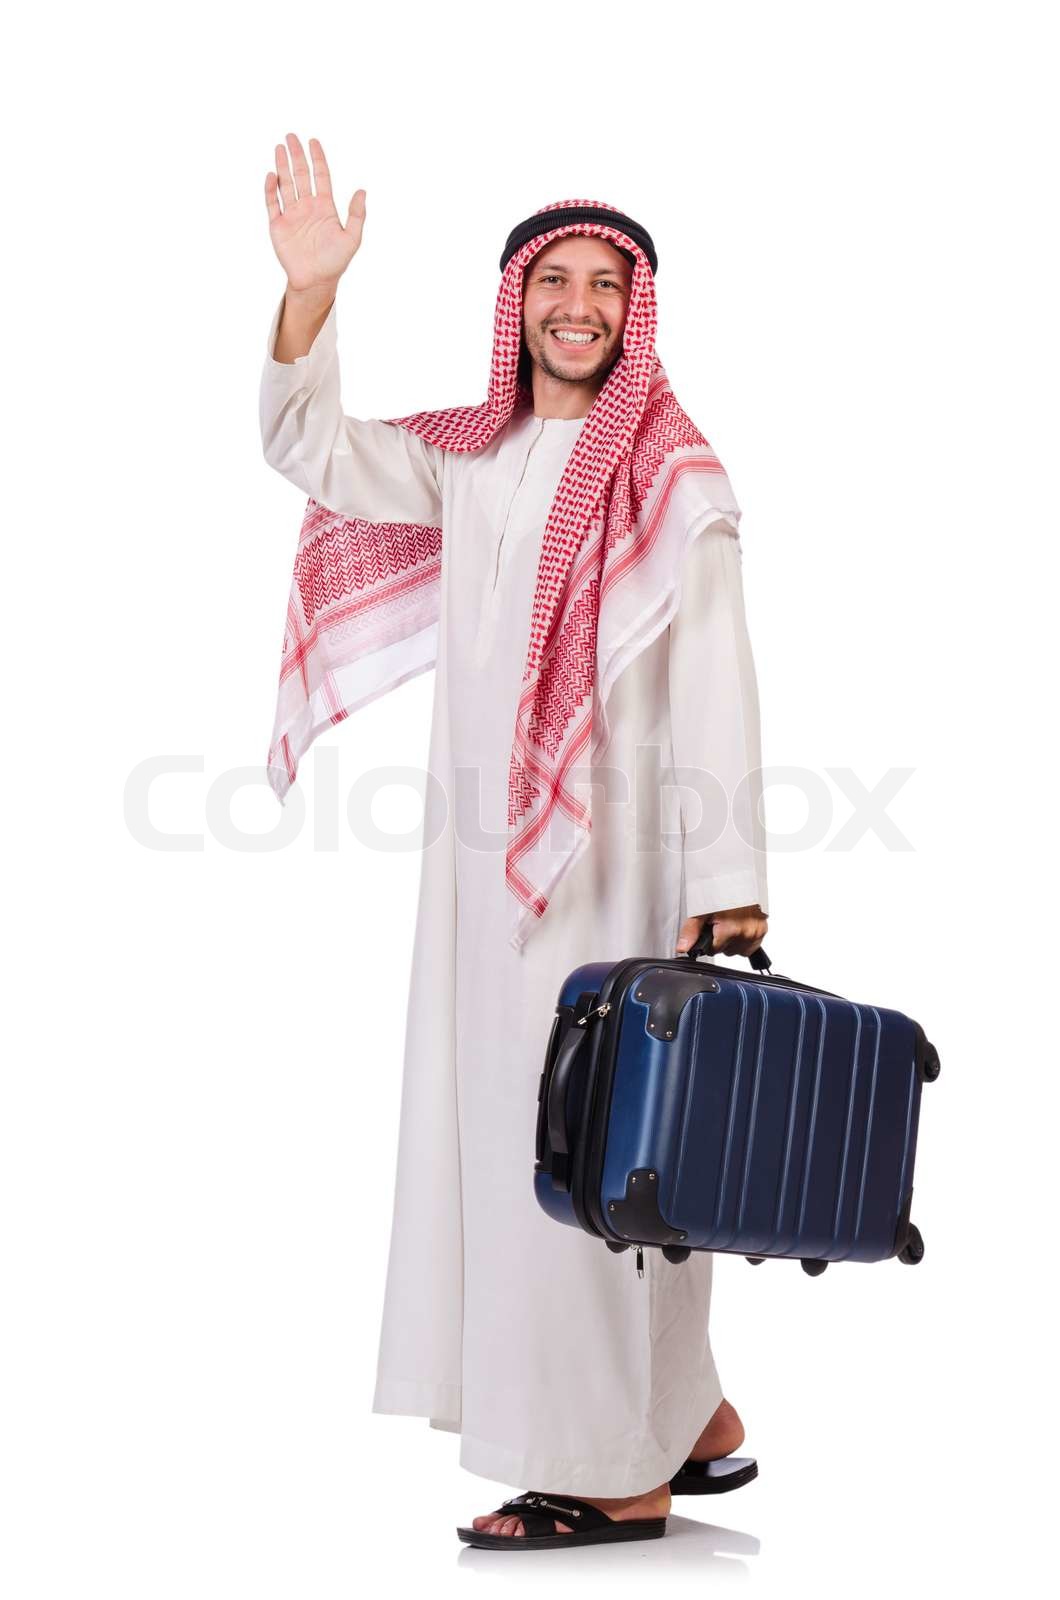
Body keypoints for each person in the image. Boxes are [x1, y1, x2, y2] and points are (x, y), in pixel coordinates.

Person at [259, 133, 769, 1550]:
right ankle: (687, 1413)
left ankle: (609, 1471)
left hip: (623, 876)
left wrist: (730, 884)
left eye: (607, 285)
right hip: (486, 879)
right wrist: (311, 293)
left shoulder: (674, 480)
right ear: (516, 302)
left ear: (636, 309)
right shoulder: (473, 459)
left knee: (596, 1145)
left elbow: (719, 681)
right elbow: (312, 448)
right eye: (557, 281)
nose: (580, 306)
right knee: (559, 1146)